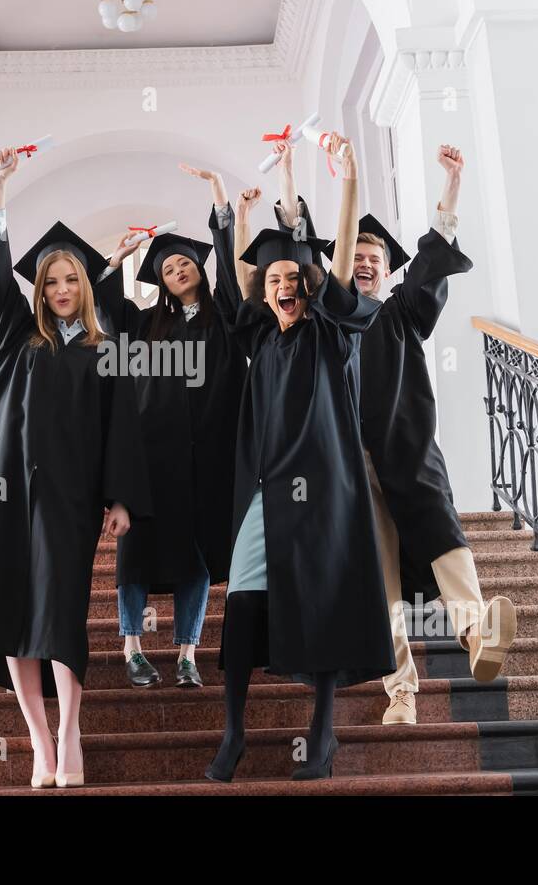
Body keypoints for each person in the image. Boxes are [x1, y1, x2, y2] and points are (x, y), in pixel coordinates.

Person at [0, 146, 152, 789]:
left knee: (60, 617)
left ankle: (72, 727)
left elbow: (122, 430)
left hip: (69, 504)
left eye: (70, 280)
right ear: (40, 292)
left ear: (85, 285)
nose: (60, 291)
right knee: (17, 617)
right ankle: (38, 740)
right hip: (6, 497)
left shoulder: (107, 353)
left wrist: (121, 498)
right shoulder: (18, 335)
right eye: (50, 282)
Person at [279, 144, 518, 726]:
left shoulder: (402, 313)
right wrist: (288, 172)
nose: (363, 263)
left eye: (374, 258)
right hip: (346, 463)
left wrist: (452, 189)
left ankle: (474, 630)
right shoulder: (328, 316)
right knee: (379, 580)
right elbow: (297, 239)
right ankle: (401, 694)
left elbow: (432, 263)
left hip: (406, 447)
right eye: (354, 255)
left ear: (388, 270)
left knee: (443, 530)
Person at [205, 134, 396, 783]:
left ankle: (323, 731)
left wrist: (344, 183)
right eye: (276, 279)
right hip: (265, 496)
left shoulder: (331, 332)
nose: (285, 285)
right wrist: (231, 211)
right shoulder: (261, 340)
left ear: (308, 289)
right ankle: (232, 732)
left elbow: (337, 256)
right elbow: (235, 286)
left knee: (321, 605)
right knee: (244, 608)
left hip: (321, 495)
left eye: (295, 278)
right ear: (267, 293)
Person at [94, 164, 249, 689]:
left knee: (197, 556)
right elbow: (110, 311)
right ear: (159, 280)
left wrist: (220, 200)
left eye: (185, 263)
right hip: (151, 457)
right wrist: (115, 262)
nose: (178, 270)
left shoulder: (224, 318)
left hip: (207, 456)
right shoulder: (146, 326)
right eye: (168, 268)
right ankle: (133, 646)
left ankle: (186, 653)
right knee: (135, 555)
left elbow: (230, 271)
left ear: (200, 272)